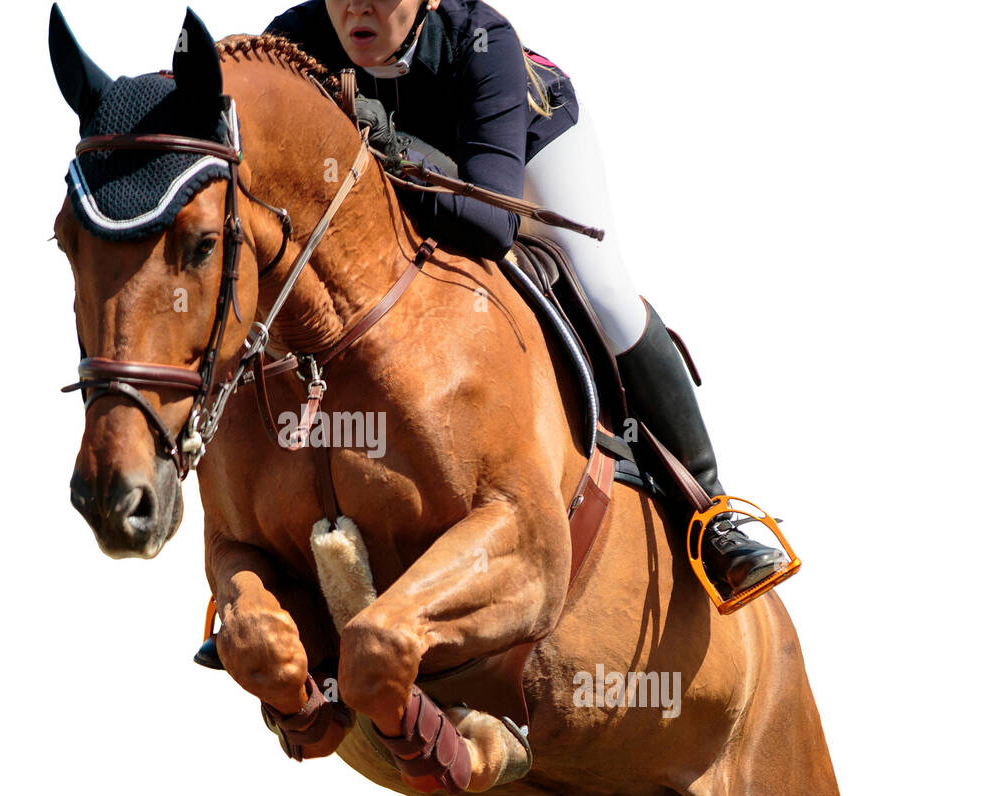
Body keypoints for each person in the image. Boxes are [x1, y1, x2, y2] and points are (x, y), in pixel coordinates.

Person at [263, 0, 787, 596]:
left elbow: (490, 223)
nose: (358, 5)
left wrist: (393, 157)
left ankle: (710, 509)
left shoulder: (484, 42)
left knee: (603, 291)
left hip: (522, 147)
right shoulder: (293, 41)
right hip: (413, 174)